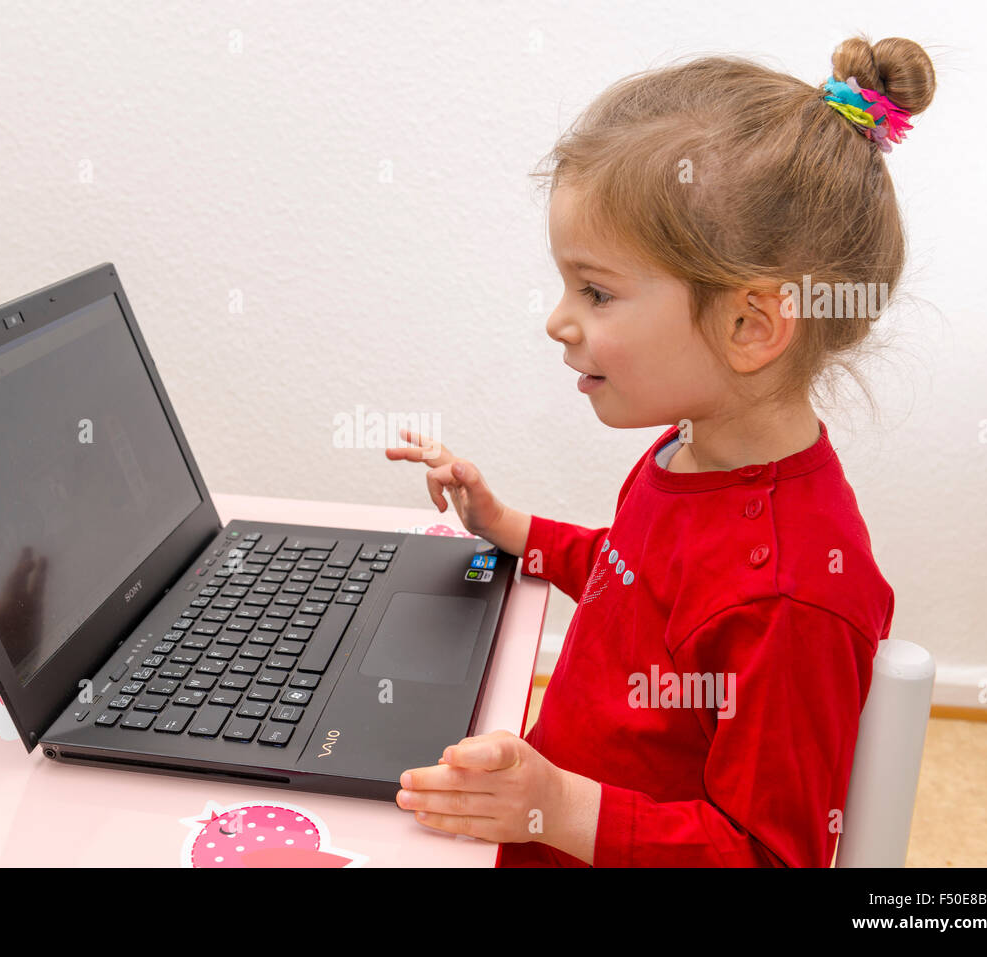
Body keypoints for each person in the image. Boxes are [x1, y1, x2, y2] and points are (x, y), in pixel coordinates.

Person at [385, 34, 933, 866]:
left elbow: (769, 854)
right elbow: (634, 583)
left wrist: (561, 808)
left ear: (751, 326)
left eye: (596, 291)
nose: (558, 320)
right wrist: (509, 525)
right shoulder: (687, 450)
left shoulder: (792, 598)